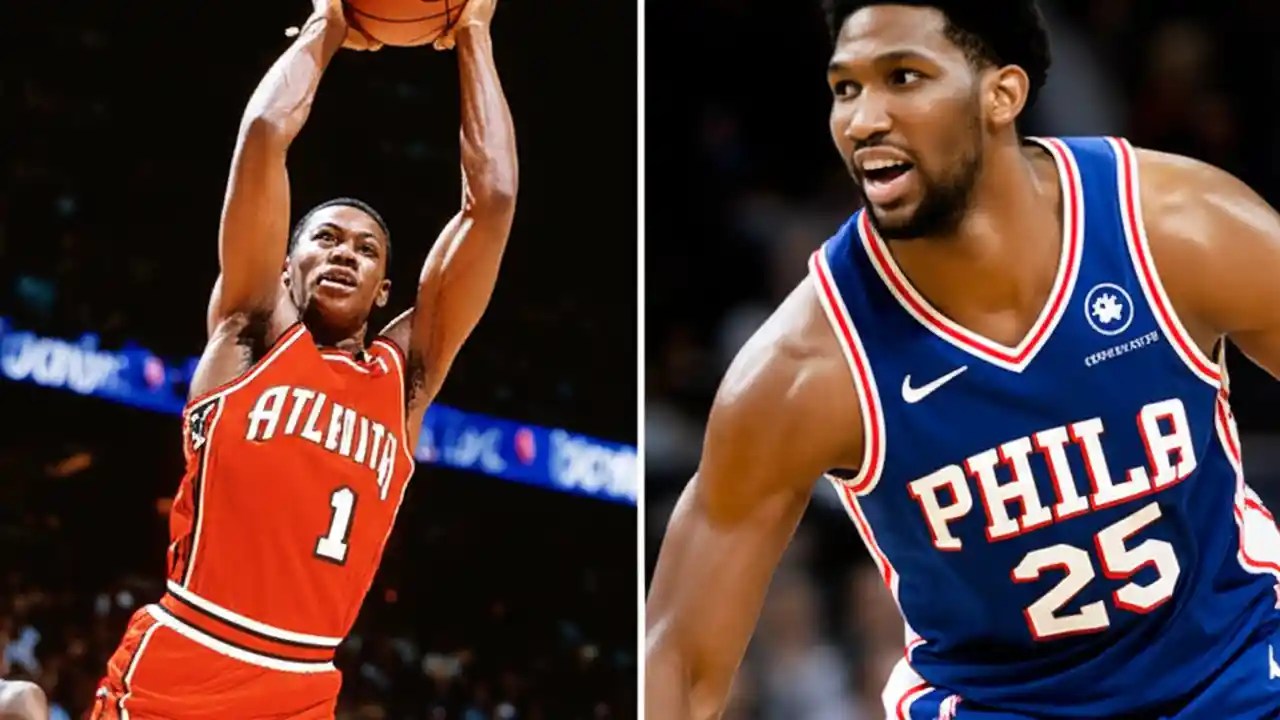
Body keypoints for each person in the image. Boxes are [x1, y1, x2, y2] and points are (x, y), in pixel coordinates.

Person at [645, 1, 1280, 718]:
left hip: (1236, 674)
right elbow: (678, 657)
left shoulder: (1172, 231)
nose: (863, 119)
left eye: (903, 77)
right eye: (845, 88)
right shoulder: (808, 366)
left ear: (1001, 93)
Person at [90, 0, 517, 715]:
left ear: (386, 291)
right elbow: (262, 134)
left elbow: (493, 200)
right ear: (285, 265)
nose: (345, 251)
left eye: (366, 248)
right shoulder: (249, 333)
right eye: (325, 238)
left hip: (303, 686)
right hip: (189, 657)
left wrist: (473, 30)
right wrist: (329, 22)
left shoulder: (404, 380)